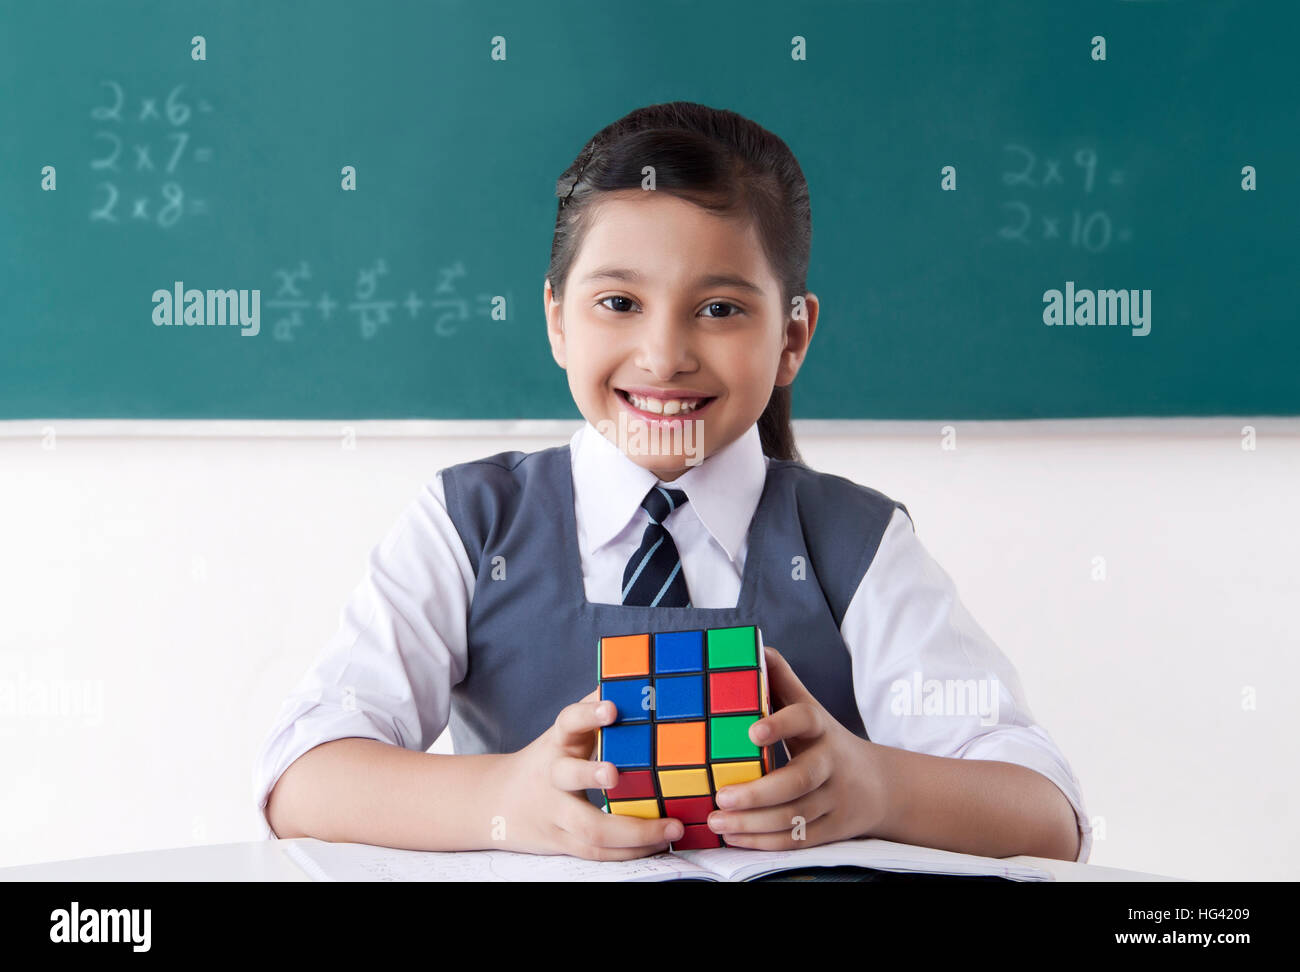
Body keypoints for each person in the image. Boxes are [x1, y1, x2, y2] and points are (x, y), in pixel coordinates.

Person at [255, 101, 1090, 863]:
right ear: (555, 319)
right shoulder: (469, 524)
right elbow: (301, 778)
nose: (664, 355)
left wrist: (876, 786)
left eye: (720, 309)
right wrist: (502, 797)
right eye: (618, 302)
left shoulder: (855, 545)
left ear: (793, 336)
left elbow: (1043, 813)